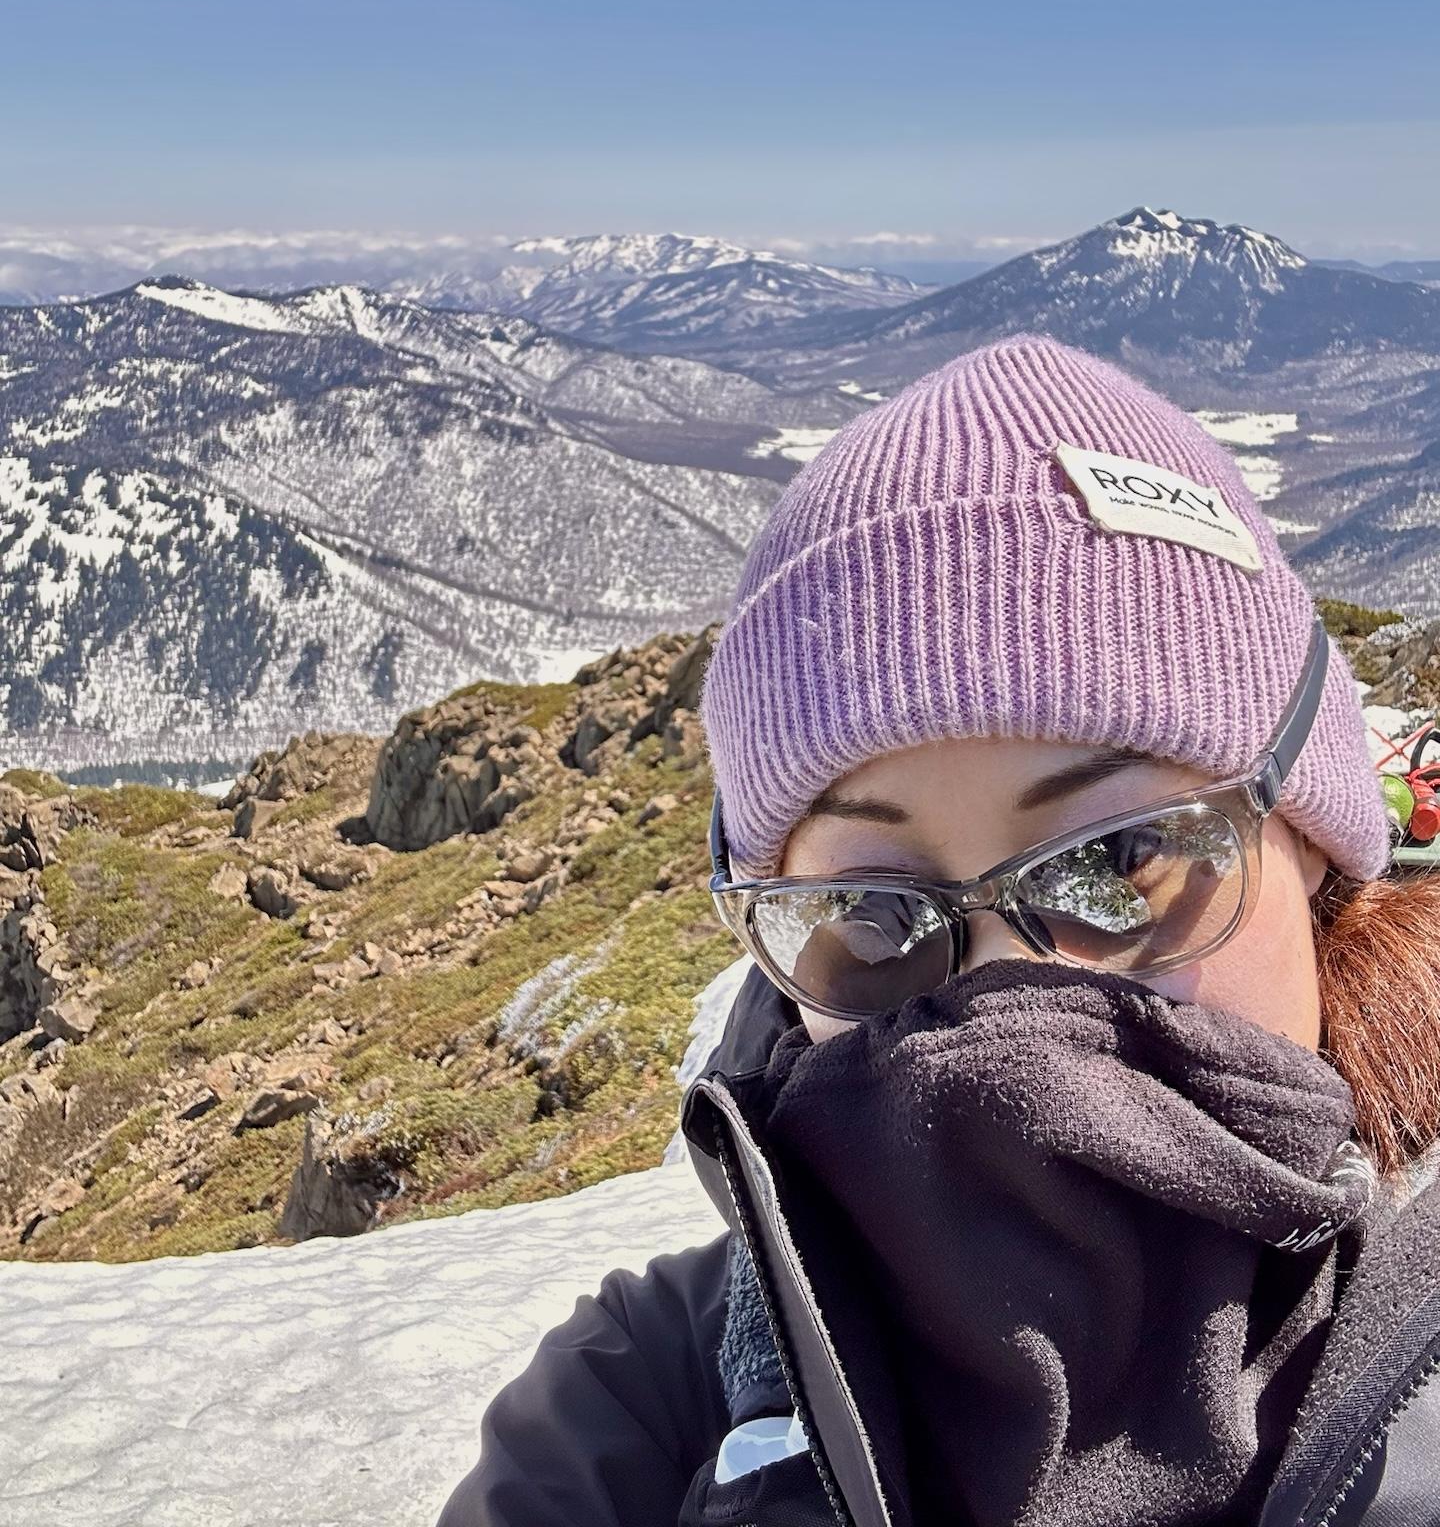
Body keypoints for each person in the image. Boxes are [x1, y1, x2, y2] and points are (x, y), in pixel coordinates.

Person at [437, 333, 1440, 1527]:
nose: (1014, 991)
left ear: (1318, 838)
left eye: (1124, 860)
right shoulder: (646, 1401)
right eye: (868, 914)